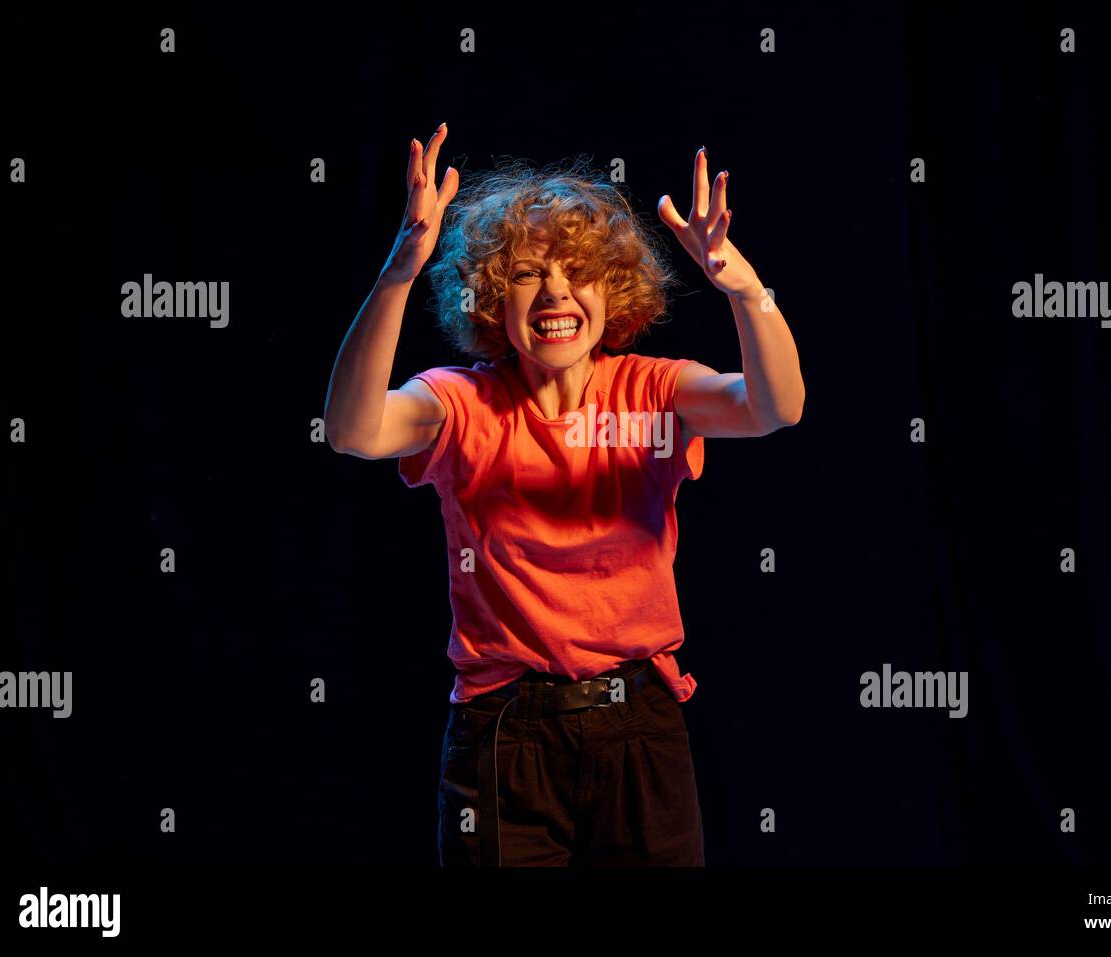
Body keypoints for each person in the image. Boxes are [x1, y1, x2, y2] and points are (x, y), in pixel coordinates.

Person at [323, 122, 804, 866]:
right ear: (491, 298)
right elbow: (352, 429)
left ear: (611, 290)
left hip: (638, 724)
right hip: (502, 734)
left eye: (576, 271)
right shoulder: (460, 402)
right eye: (525, 273)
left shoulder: (652, 389)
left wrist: (746, 289)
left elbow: (775, 406)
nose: (554, 291)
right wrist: (396, 275)